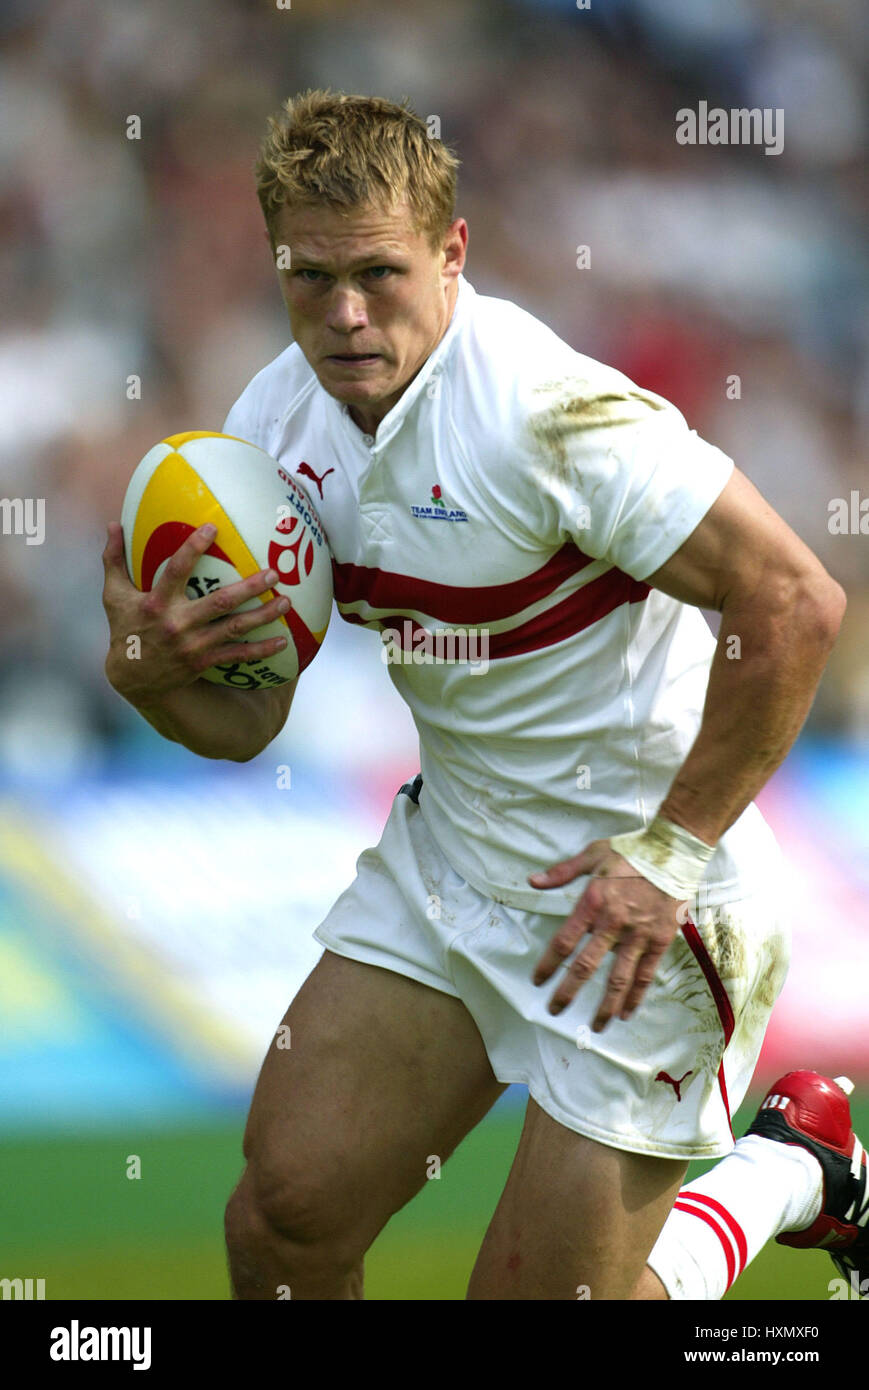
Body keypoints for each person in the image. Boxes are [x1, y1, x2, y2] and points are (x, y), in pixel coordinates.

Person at [102, 90, 866, 1300]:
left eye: (380, 274)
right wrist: (145, 668)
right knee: (282, 1225)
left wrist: (668, 853)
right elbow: (247, 728)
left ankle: (784, 1169)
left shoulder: (547, 414)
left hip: (641, 907)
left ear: (451, 254)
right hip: (452, 865)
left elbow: (794, 602)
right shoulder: (268, 431)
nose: (345, 316)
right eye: (310, 279)